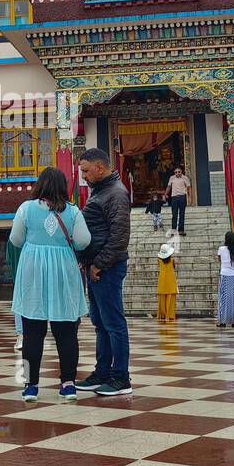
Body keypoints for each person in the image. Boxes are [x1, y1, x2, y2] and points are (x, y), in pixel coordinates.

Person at [10, 166, 91, 402]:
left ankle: (30, 386)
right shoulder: (73, 211)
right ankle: (68, 384)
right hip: (63, 272)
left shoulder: (26, 208)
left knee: (32, 334)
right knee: (66, 333)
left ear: (40, 184)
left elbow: (15, 240)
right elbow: (83, 241)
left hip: (33, 273)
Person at [75, 147, 132, 396]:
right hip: (95, 266)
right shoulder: (100, 191)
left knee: (113, 323)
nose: (84, 176)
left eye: (86, 171)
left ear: (100, 168)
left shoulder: (116, 194)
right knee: (100, 323)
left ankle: (121, 378)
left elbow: (120, 236)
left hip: (107, 267)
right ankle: (102, 372)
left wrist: (100, 263)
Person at [156, 243, 178, 322]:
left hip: (162, 279)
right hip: (171, 279)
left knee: (162, 297)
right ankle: (170, 315)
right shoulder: (172, 260)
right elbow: (174, 267)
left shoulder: (159, 260)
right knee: (170, 297)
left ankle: (162, 315)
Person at [167, 166, 190, 237]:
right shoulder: (172, 178)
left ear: (181, 172)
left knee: (182, 214)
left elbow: (188, 188)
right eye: (176, 172)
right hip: (174, 198)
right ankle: (173, 231)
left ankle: (181, 230)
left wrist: (189, 197)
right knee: (174, 214)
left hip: (182, 197)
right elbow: (169, 187)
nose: (177, 173)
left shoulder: (185, 178)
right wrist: (165, 194)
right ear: (174, 173)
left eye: (179, 172)